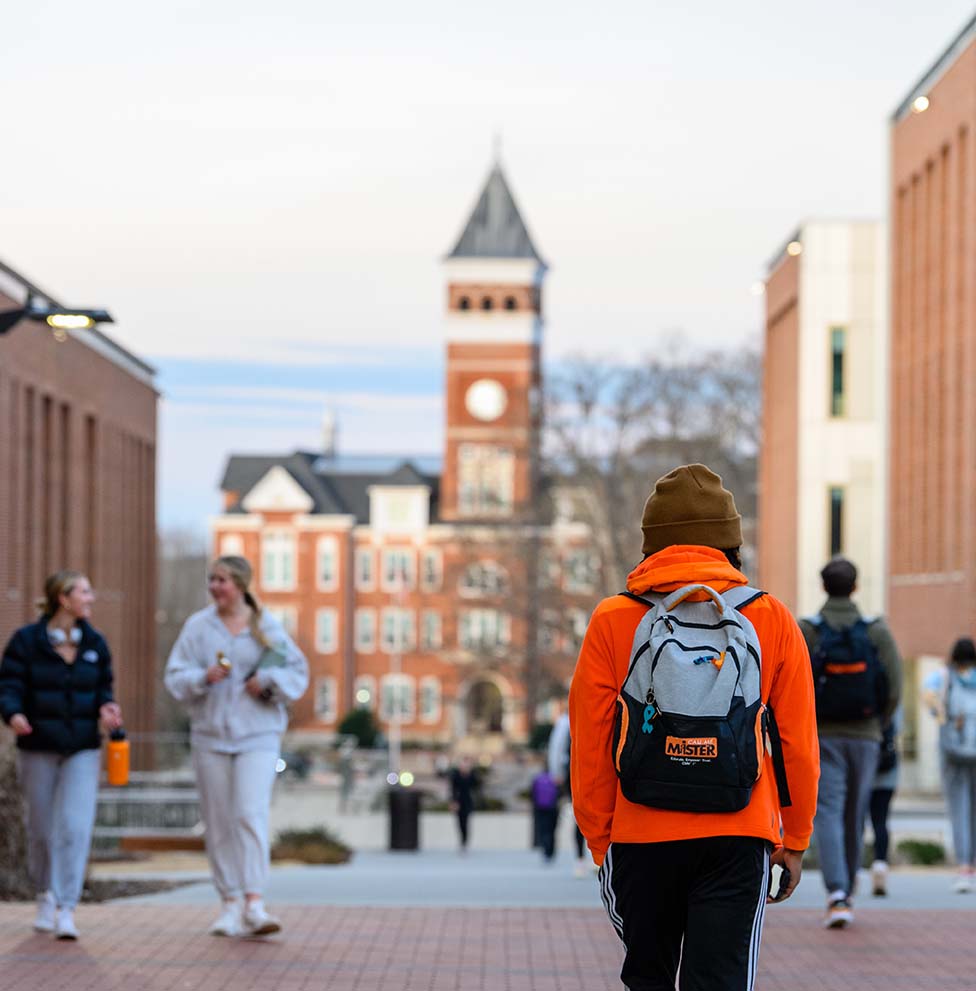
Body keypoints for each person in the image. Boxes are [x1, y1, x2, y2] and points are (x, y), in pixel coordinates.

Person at [571, 464, 819, 991]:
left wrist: (601, 837)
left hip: (640, 832)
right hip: (738, 831)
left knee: (649, 977)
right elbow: (796, 740)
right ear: (730, 542)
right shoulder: (771, 618)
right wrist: (793, 839)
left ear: (650, 544)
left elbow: (590, 739)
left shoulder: (614, 618)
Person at [164, 555, 308, 937]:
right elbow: (175, 676)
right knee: (218, 820)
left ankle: (255, 902)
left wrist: (267, 681)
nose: (214, 587)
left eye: (222, 580)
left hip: (257, 735)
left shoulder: (268, 627)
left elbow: (298, 673)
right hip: (210, 735)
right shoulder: (198, 627)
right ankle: (229, 902)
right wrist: (202, 677)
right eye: (211, 579)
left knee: (249, 813)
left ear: (241, 585)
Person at [0, 571, 123, 940]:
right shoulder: (26, 641)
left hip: (82, 747)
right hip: (38, 746)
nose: (91, 597)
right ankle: (45, 895)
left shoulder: (95, 644)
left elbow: (104, 688)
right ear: (63, 598)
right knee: (41, 829)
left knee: (75, 826)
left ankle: (67, 906)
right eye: (84, 592)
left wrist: (107, 709)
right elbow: (9, 686)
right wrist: (13, 714)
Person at [799, 557, 902, 928]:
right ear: (855, 587)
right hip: (866, 735)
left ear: (823, 587)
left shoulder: (809, 631)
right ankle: (849, 889)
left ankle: (837, 893)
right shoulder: (875, 631)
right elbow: (895, 685)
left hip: (823, 734)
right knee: (855, 813)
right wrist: (879, 722)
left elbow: (795, 684)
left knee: (827, 811)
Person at [923, 637, 976, 892]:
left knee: (959, 810)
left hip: (953, 753)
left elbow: (930, 701)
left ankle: (964, 867)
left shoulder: (944, 676)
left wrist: (943, 716)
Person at [547, 709, 588, 876]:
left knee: (581, 816)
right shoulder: (567, 721)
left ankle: (582, 860)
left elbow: (556, 749)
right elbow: (557, 749)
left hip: (578, 772)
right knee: (581, 816)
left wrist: (557, 772)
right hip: (579, 772)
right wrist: (557, 773)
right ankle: (582, 859)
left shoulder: (567, 721)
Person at [867, 706, 902, 897]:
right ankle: (880, 867)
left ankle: (851, 874)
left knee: (854, 821)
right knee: (880, 821)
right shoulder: (892, 703)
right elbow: (898, 729)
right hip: (887, 769)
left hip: (862, 766)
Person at [531, 762, 561, 862]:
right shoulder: (555, 780)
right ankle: (551, 851)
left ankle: (545, 849)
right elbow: (559, 794)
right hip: (552, 808)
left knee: (543, 829)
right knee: (552, 831)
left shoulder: (537, 779)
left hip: (540, 809)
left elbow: (533, 795)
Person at [448, 756, 478, 852]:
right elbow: (453, 790)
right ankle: (462, 841)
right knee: (460, 823)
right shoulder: (455, 776)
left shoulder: (472, 775)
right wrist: (453, 802)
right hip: (458, 802)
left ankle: (464, 842)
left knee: (466, 823)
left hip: (468, 802)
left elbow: (476, 786)